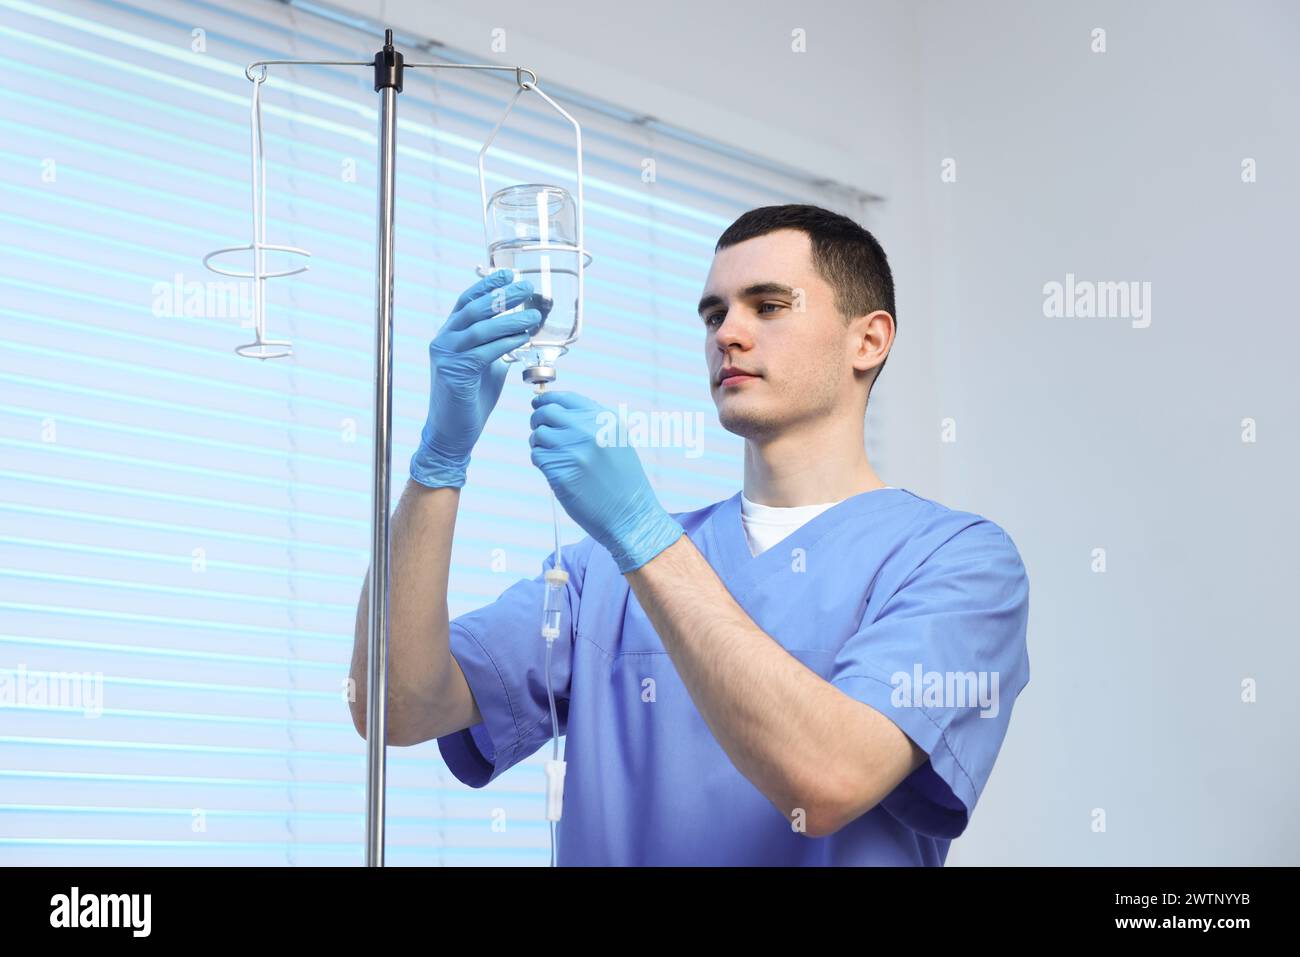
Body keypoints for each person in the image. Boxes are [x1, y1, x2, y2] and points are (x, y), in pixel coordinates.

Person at [349, 204, 1030, 866]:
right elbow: (397, 706)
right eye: (715, 313)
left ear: (869, 339)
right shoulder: (600, 576)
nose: (727, 333)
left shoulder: (958, 562)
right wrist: (440, 459)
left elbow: (828, 780)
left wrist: (641, 533)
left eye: (767, 305)